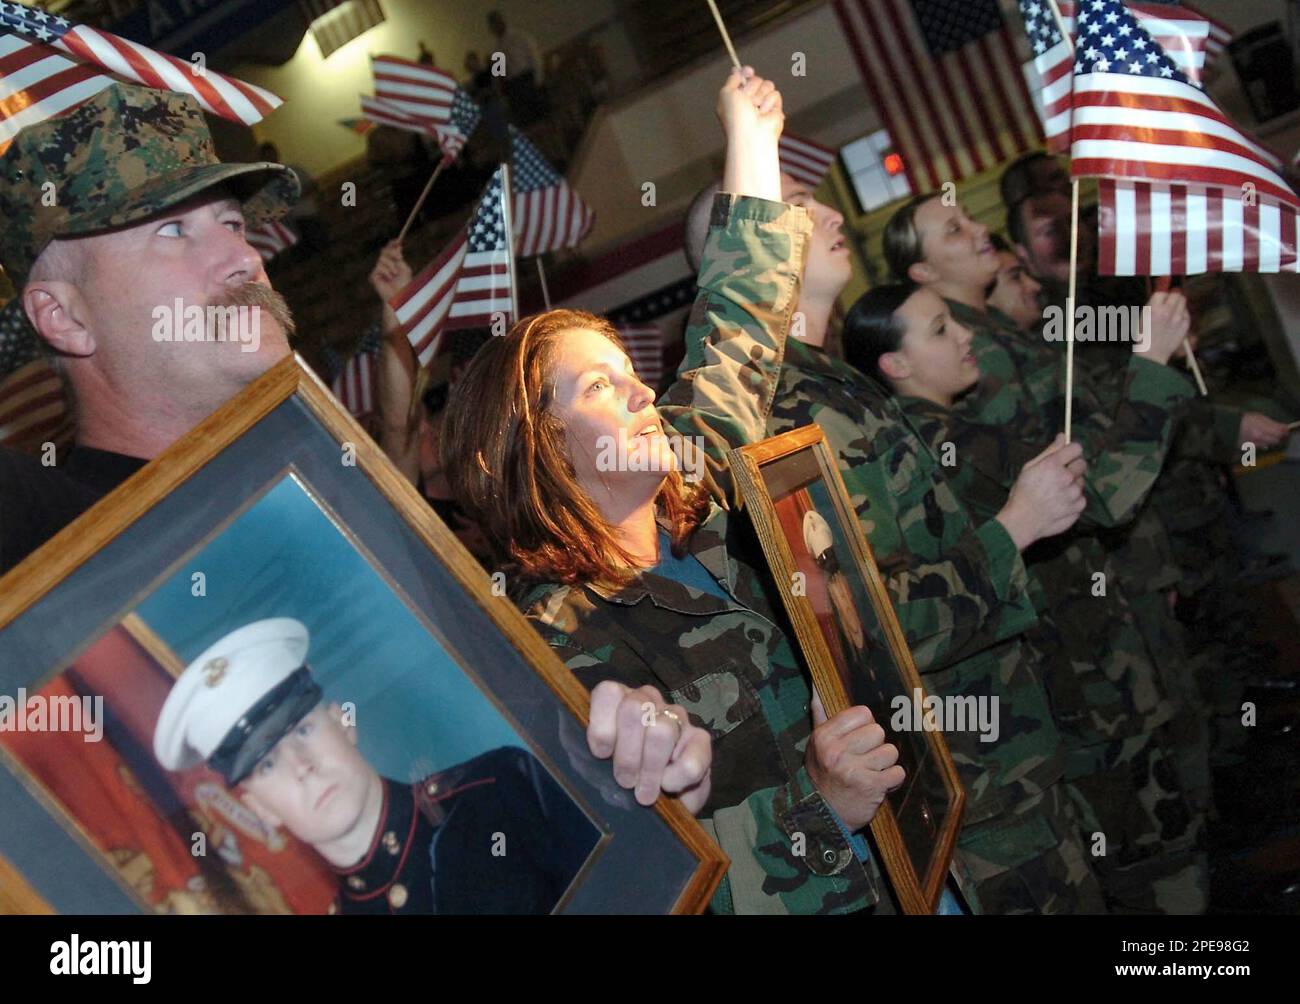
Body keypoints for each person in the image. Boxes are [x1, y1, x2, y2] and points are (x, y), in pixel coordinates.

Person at [444, 69, 915, 915]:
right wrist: (823, 806)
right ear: (539, 452)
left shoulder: (699, 486)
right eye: (596, 388)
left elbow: (737, 317)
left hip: (911, 872)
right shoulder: (555, 652)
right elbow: (645, 882)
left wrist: (751, 140)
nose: (638, 392)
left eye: (630, 372)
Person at [882, 194, 1212, 912]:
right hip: (1075, 651)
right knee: (1146, 853)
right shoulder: (971, 362)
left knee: (1163, 824)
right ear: (921, 273)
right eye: (954, 231)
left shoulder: (988, 334)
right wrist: (1150, 364)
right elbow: (1096, 491)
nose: (979, 235)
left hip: (1098, 619)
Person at [0, 83, 300, 576]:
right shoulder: (53, 552)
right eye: (172, 230)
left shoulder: (318, 480)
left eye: (232, 223)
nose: (246, 259)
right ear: (65, 318)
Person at [153, 618, 602, 914]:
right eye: (267, 765)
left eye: (303, 732)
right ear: (259, 810)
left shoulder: (502, 790)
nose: (302, 766)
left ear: (342, 722)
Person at [487, 10, 546, 125]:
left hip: (528, 79)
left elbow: (534, 57)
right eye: (493, 25)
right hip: (513, 87)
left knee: (541, 115)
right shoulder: (496, 49)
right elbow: (499, 74)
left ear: (502, 20)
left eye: (497, 22)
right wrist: (502, 93)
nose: (496, 26)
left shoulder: (520, 36)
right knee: (526, 121)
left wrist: (539, 78)